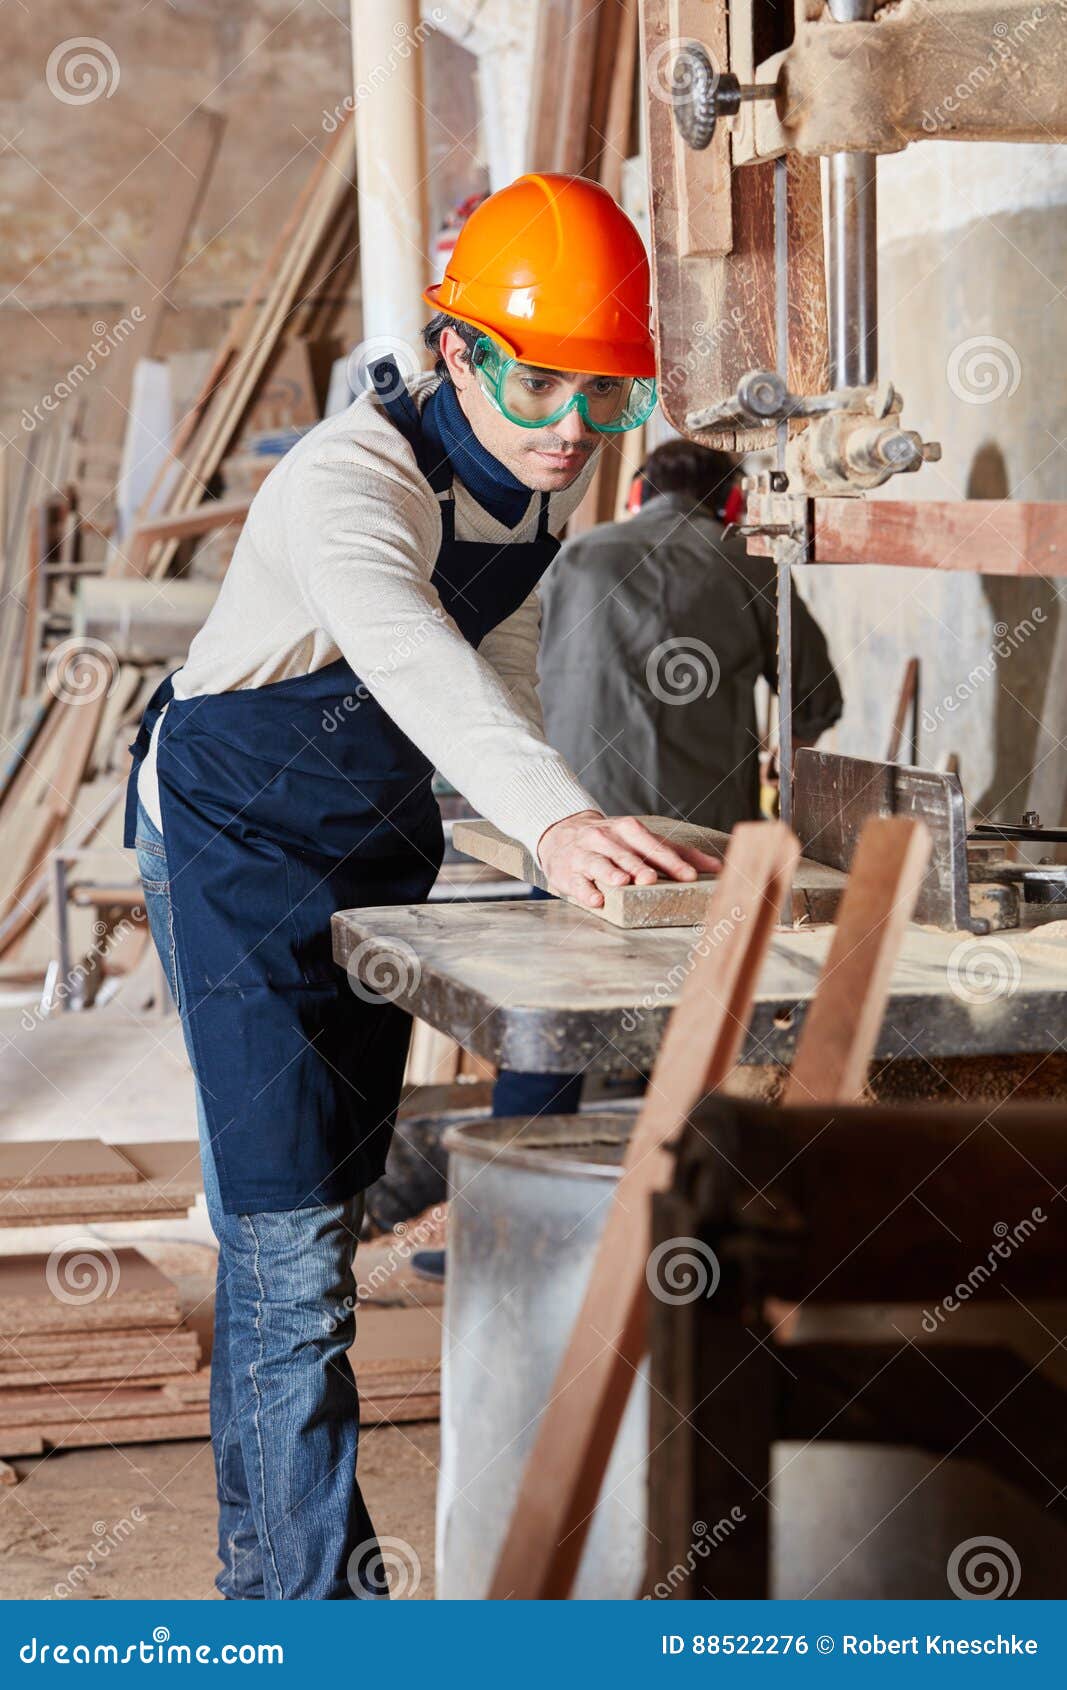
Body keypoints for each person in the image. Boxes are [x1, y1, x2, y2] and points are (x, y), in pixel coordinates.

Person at [124, 172, 719, 1601]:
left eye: (611, 397)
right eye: (544, 386)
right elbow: (415, 664)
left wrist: (584, 832)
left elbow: (499, 681)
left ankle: (261, 1583)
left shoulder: (523, 498)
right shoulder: (350, 481)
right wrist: (556, 820)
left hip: (368, 856)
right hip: (232, 853)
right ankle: (321, 1616)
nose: (574, 429)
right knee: (288, 1255)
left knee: (308, 1231)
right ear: (458, 350)